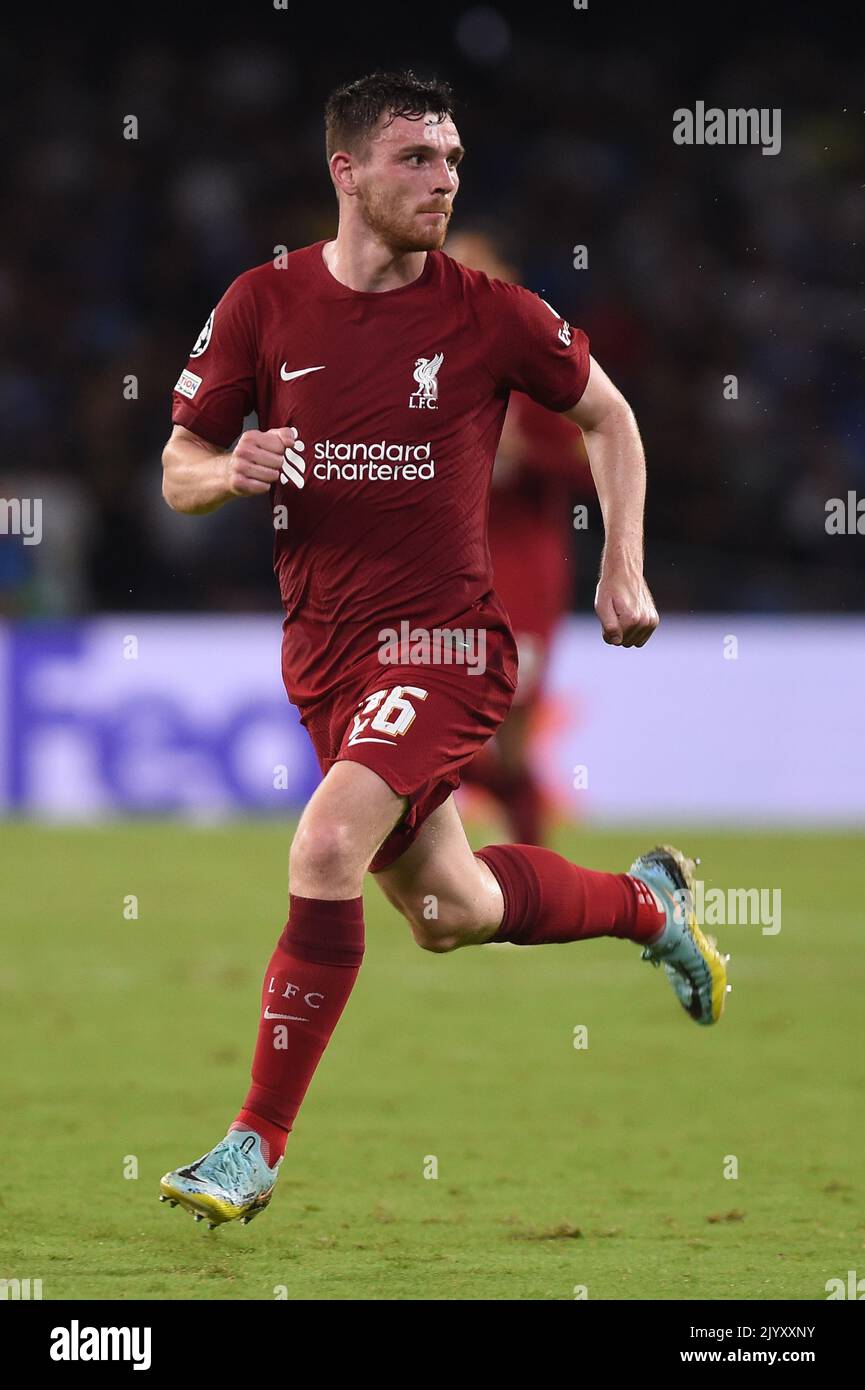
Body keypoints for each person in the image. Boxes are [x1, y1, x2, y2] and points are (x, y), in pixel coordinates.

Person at [159, 70, 728, 1230]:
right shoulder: (262, 304)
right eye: (416, 158)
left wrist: (622, 563)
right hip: (323, 658)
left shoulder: (491, 312)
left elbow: (608, 415)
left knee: (323, 845)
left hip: (444, 645)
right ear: (348, 172)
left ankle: (251, 1147)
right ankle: (648, 905)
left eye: (452, 158)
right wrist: (231, 470)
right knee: (450, 911)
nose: (442, 177)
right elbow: (177, 469)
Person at [446, 228, 594, 844]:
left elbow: (590, 459)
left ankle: (528, 877)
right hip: (448, 578)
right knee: (455, 726)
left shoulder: (534, 366)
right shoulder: (424, 377)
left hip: (525, 576)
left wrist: (524, 453)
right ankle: (520, 874)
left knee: (509, 726)